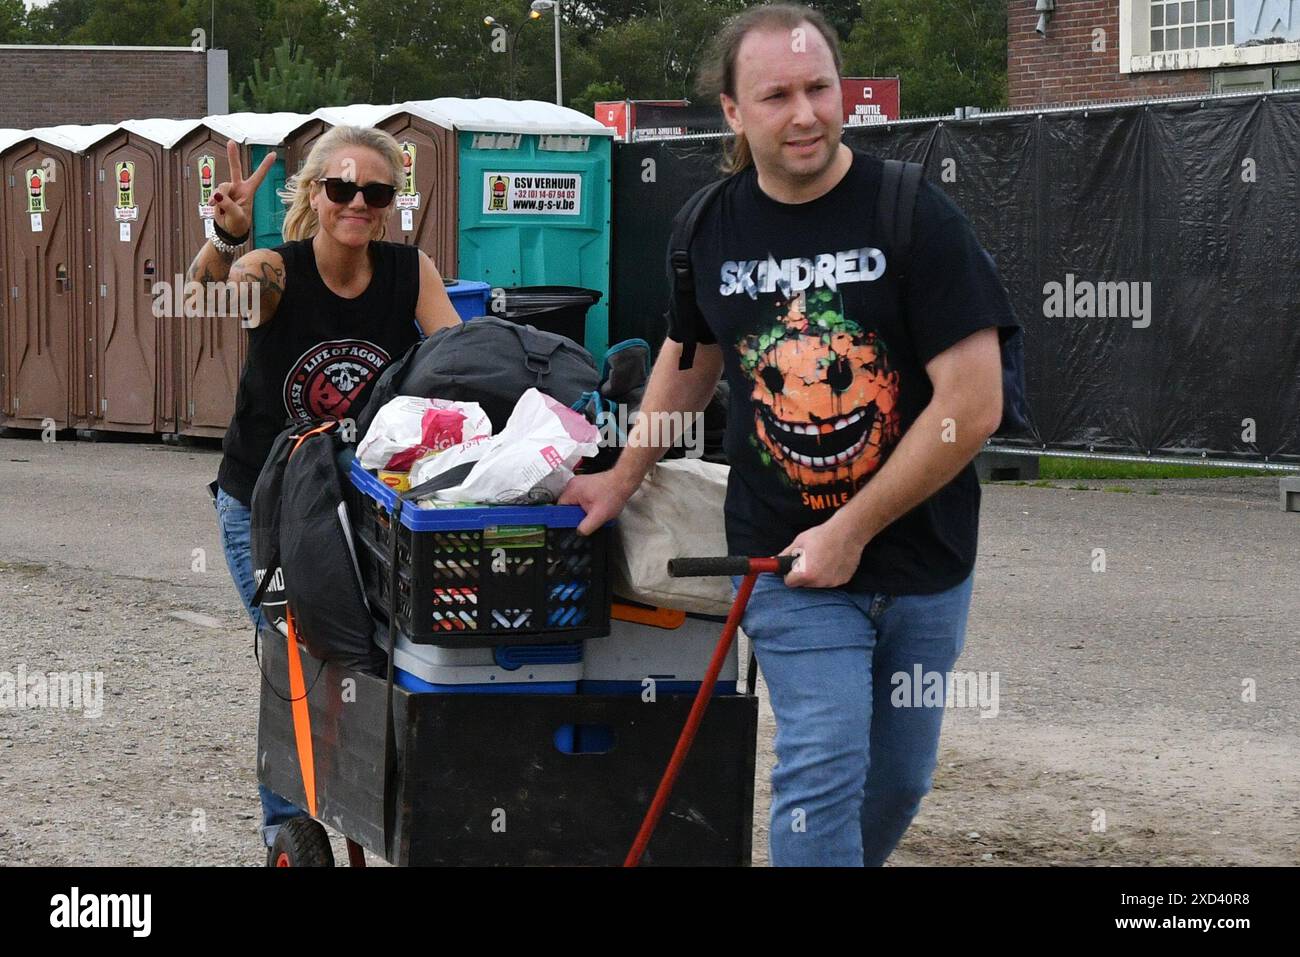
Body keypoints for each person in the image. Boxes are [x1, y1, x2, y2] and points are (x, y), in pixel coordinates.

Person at [560, 3, 1018, 866]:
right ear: (733, 111)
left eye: (819, 89)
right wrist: (620, 477)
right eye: (776, 96)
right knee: (822, 765)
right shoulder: (707, 226)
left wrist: (852, 529)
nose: (804, 114)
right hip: (786, 561)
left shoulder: (914, 214)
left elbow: (974, 403)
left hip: (924, 559)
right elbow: (691, 359)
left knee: (898, 781)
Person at [191, 127, 462, 855]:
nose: (357, 203)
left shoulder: (409, 271)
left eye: (375, 191)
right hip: (266, 505)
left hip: (360, 504)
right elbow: (204, 296)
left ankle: (358, 793)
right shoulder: (275, 270)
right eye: (341, 187)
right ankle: (289, 825)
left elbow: (456, 357)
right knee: (295, 646)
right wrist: (226, 237)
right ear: (314, 194)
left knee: (372, 649)